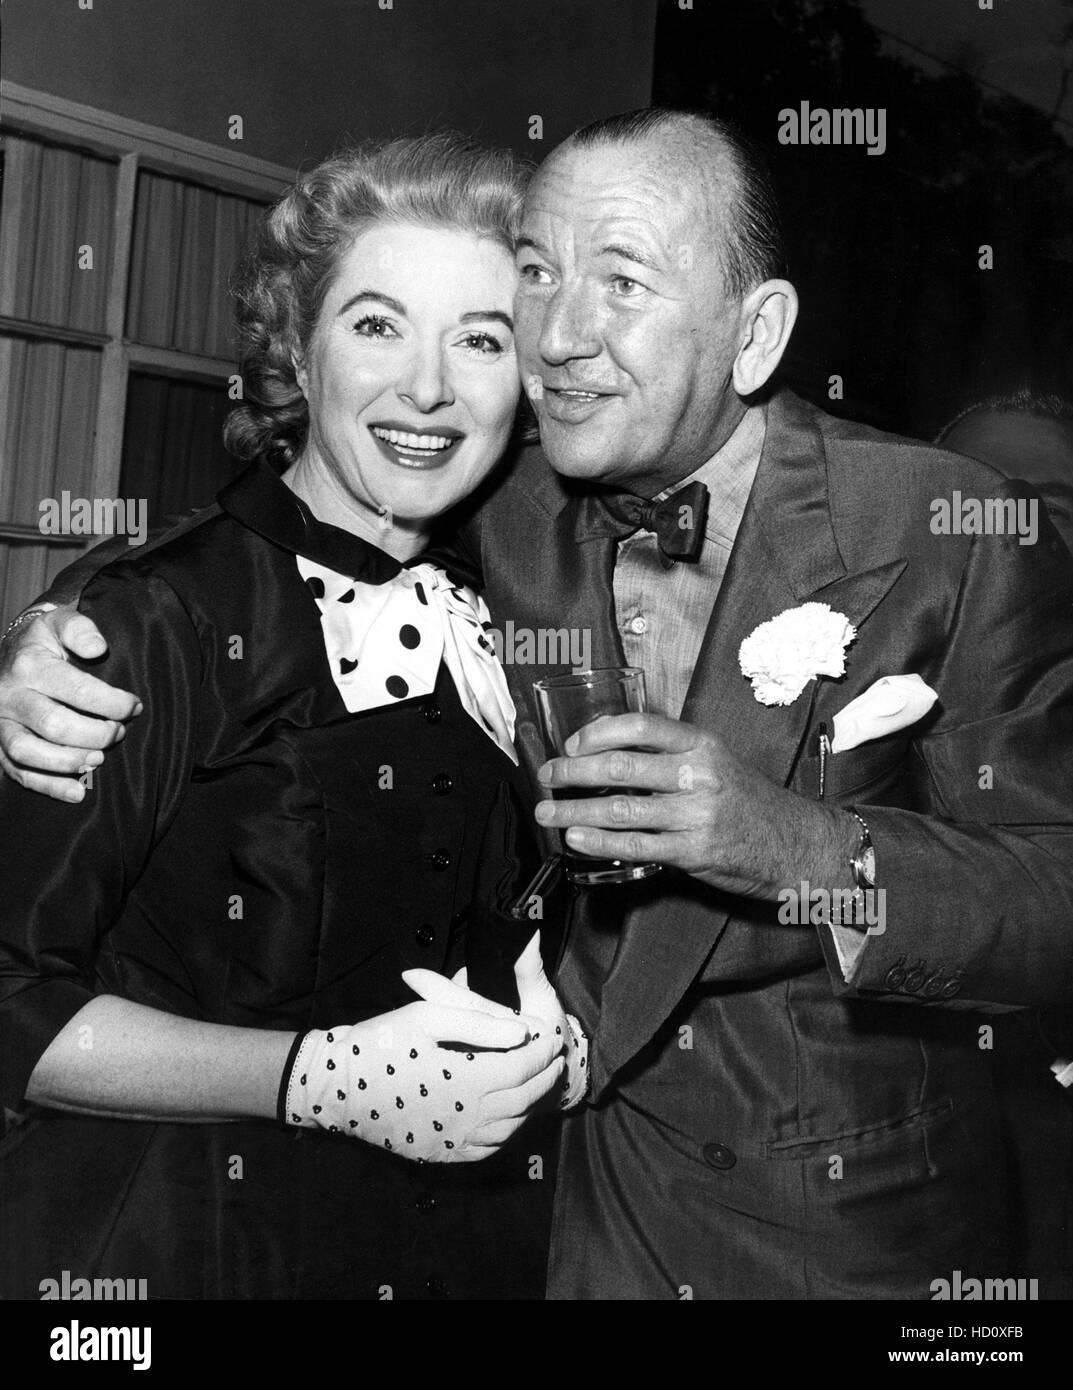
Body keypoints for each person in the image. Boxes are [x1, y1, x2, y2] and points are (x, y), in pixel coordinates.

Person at [5, 108, 1073, 1300]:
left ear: (756, 333)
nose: (558, 338)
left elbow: (1054, 897)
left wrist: (794, 843)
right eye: (536, 279)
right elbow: (252, 540)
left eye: (617, 281)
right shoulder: (498, 481)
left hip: (823, 1228)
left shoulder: (948, 525)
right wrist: (48, 629)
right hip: (488, 1225)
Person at [0, 134, 584, 1301]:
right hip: (155, 1259)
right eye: (375, 325)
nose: (427, 387)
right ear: (297, 358)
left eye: (479, 339)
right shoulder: (146, 618)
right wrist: (312, 1077)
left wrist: (548, 1032)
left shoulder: (515, 613)